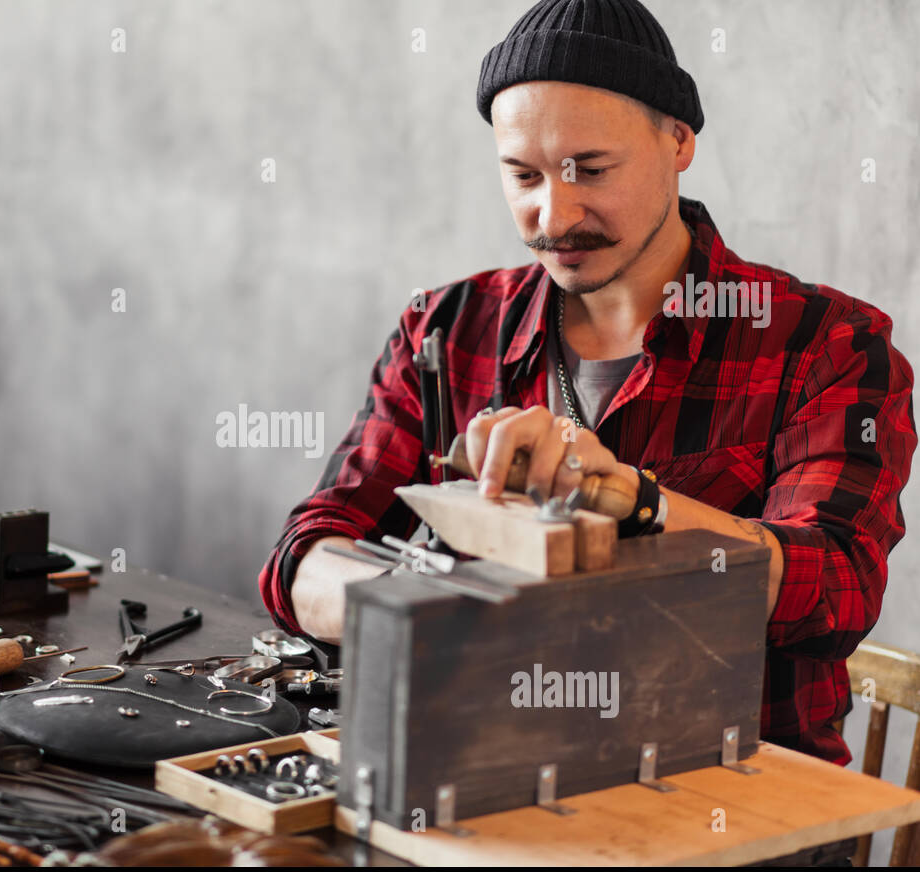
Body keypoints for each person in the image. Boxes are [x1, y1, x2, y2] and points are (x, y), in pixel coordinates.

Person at [258, 0, 916, 770]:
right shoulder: (444, 329)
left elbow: (835, 590)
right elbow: (303, 559)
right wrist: (460, 614)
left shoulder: (825, 343)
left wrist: (635, 504)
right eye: (523, 175)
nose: (554, 214)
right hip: (486, 781)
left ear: (678, 140)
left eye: (590, 171)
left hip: (734, 816)